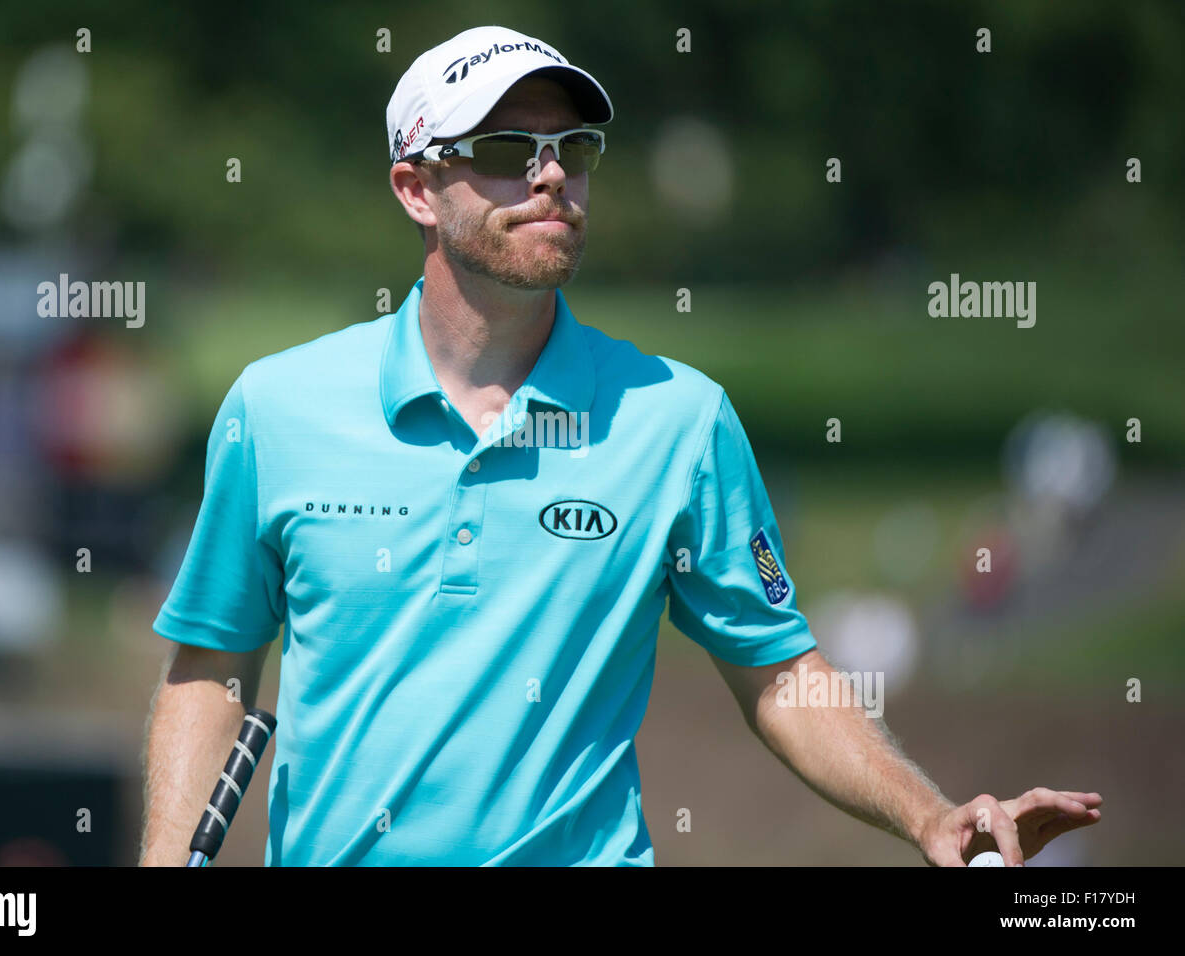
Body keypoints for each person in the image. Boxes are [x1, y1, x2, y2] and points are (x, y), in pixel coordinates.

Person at [140, 25, 1101, 866]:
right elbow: (212, 669)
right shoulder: (277, 408)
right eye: (511, 148)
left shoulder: (678, 419)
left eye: (575, 147)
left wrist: (928, 816)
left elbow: (779, 675)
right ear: (416, 188)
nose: (552, 173)